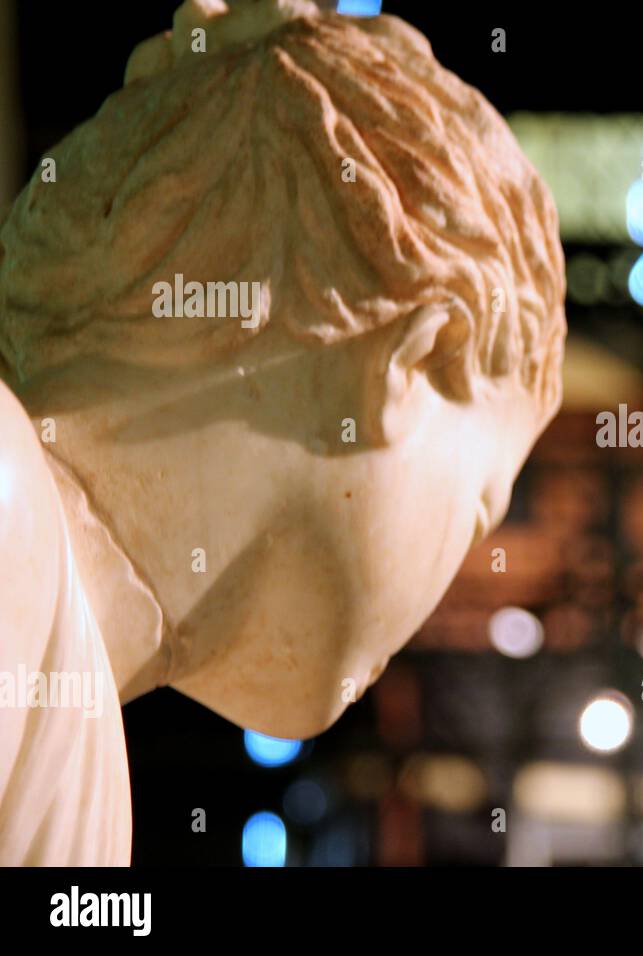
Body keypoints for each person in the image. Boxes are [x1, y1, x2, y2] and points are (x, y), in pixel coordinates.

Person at [0, 0, 566, 864]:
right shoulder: (13, 536)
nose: (451, 595)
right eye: (477, 513)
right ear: (415, 363)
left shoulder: (76, 720)